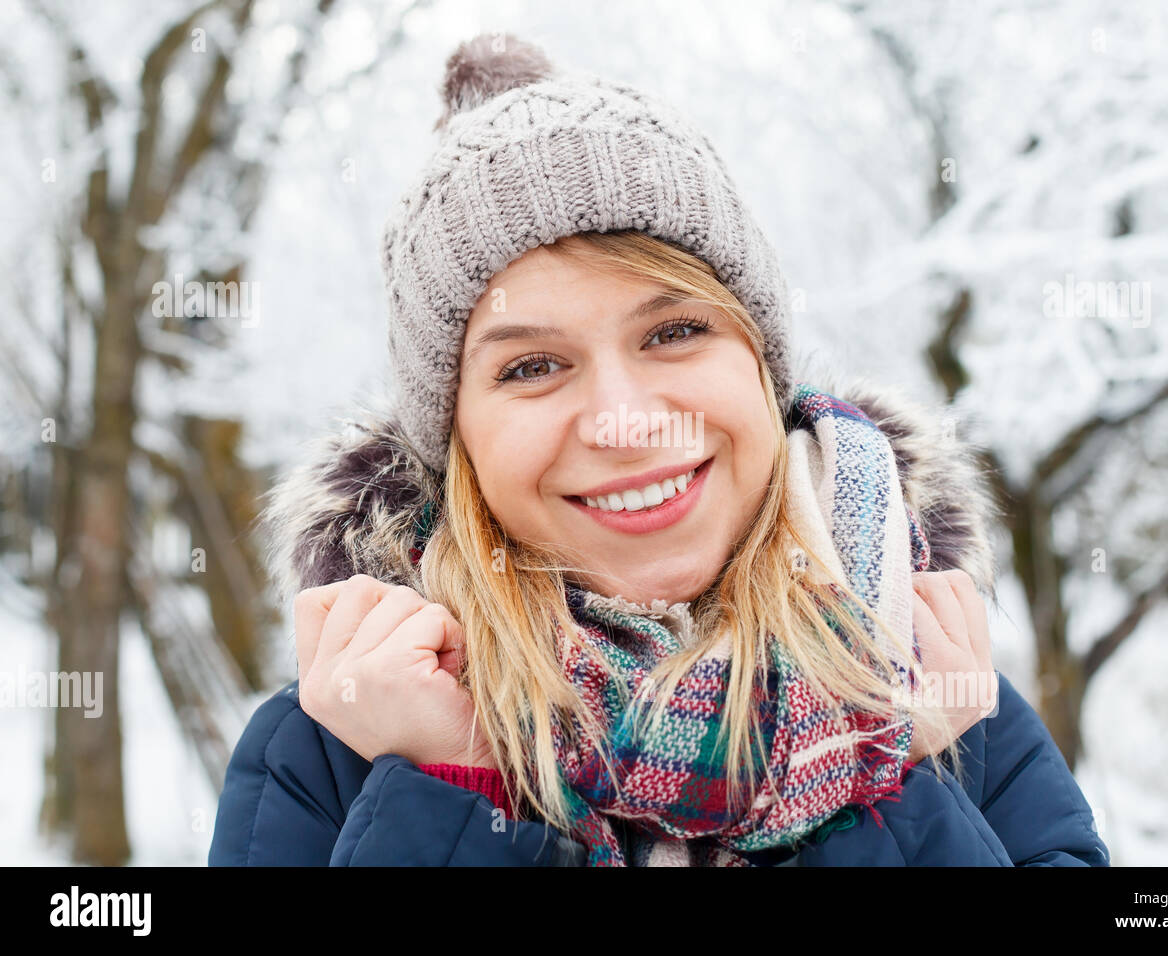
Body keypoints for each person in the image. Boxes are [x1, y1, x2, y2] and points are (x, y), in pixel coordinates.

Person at [208, 32, 1109, 867]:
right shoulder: (338, 742)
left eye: (674, 330)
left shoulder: (950, 709)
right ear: (456, 442)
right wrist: (455, 788)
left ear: (761, 363)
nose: (626, 420)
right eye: (531, 365)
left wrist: (893, 784)